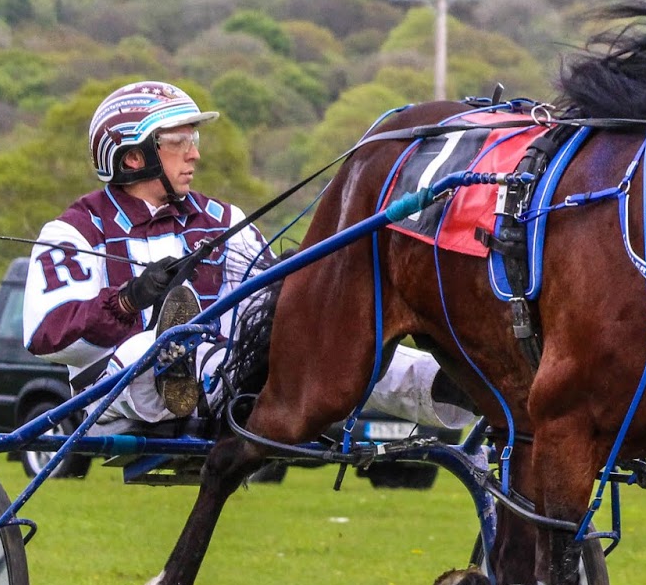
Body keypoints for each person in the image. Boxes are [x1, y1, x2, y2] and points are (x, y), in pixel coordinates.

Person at [23, 79, 472, 432]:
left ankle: (454, 385)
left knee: (339, 338)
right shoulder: (75, 230)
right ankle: (207, 372)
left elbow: (270, 303)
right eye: (178, 141)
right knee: (155, 345)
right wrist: (127, 301)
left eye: (193, 139)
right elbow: (47, 336)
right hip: (117, 392)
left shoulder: (222, 218)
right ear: (135, 156)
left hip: (229, 365)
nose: (194, 153)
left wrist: (296, 280)